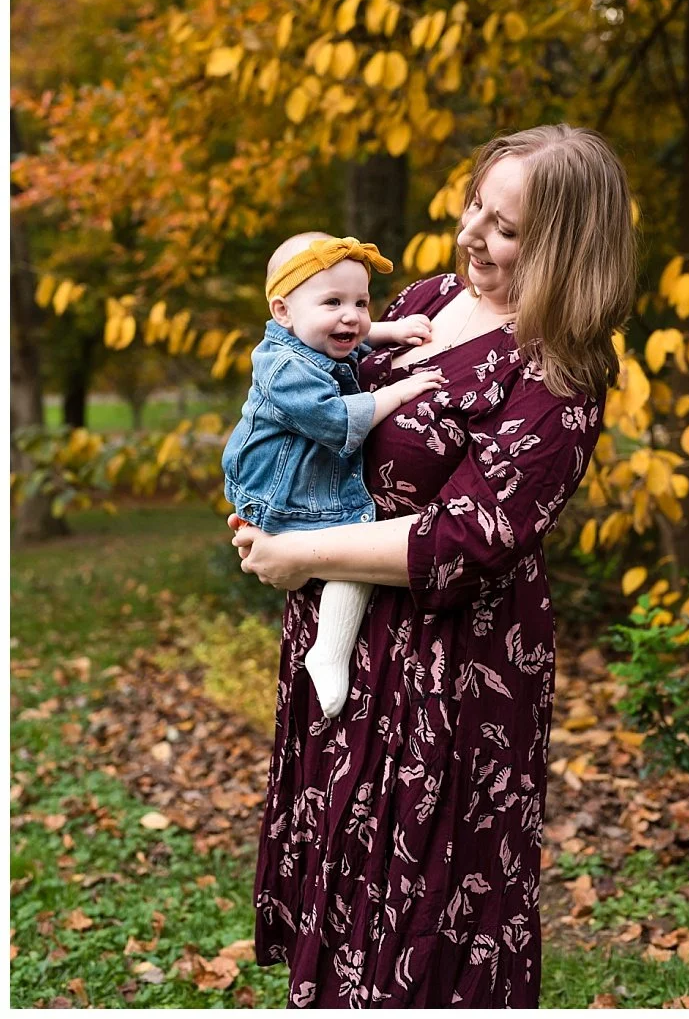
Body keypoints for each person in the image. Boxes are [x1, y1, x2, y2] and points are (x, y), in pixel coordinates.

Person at [229, 125, 638, 1007]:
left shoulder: (561, 372)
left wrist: (297, 551)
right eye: (475, 207)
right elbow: (314, 382)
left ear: (567, 245)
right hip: (345, 624)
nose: (473, 236)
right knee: (342, 857)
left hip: (448, 667)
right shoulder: (430, 295)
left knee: (419, 894)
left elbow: (466, 537)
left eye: (507, 229)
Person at [222, 233, 443, 718]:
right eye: (333, 302)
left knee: (352, 544)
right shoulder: (283, 366)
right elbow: (337, 420)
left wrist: (389, 331)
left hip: (301, 479)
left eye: (361, 302)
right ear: (283, 312)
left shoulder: (316, 340)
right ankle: (331, 650)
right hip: (278, 492)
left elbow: (355, 342)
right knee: (355, 543)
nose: (352, 315)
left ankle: (327, 647)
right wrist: (403, 392)